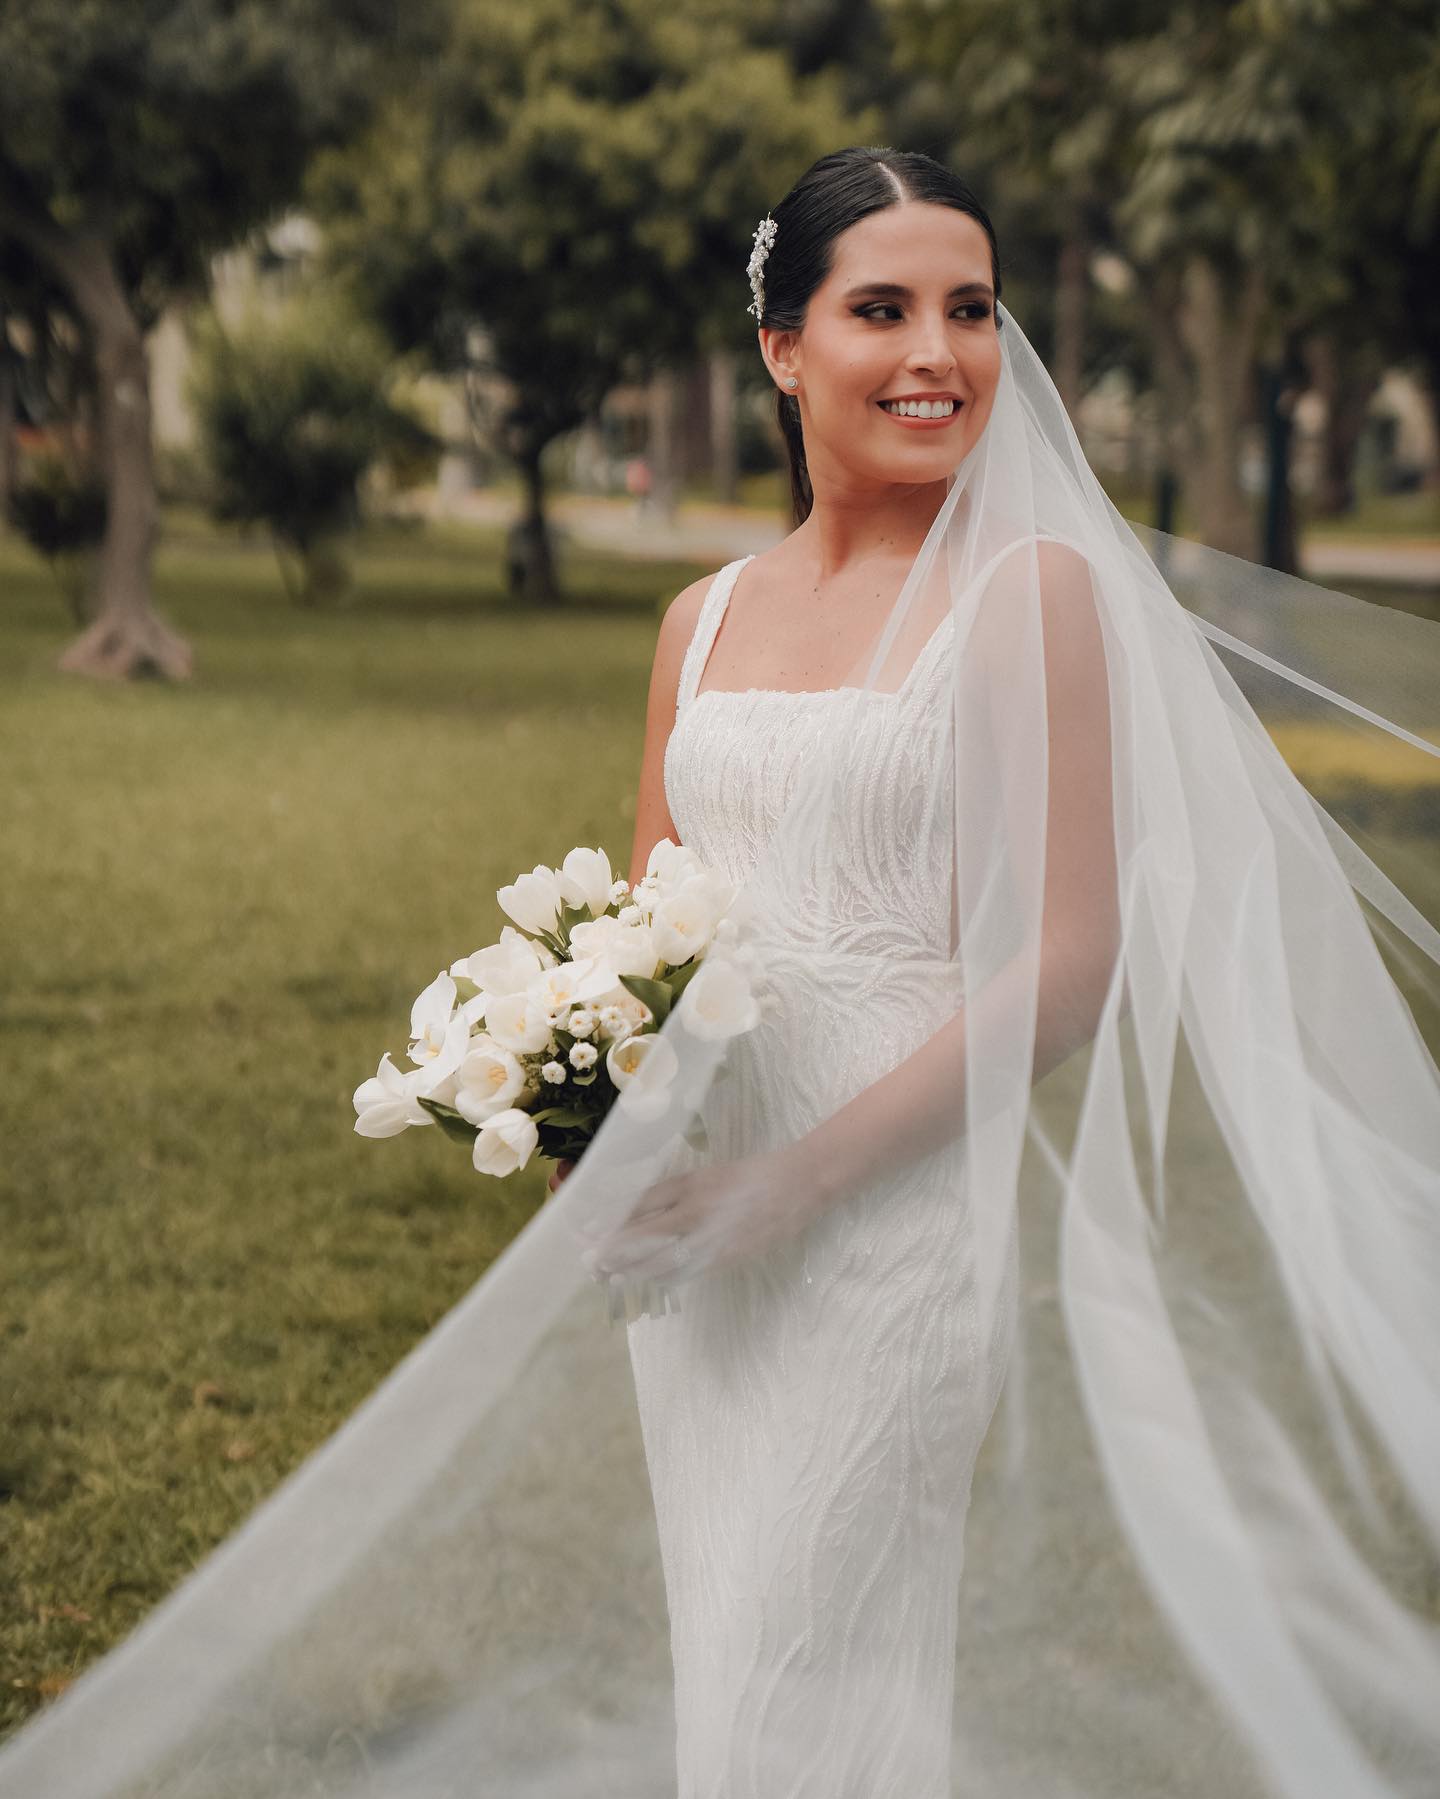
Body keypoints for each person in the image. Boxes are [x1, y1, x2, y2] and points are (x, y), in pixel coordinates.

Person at [3, 146, 1438, 1799]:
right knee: (743, 1661)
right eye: (879, 309)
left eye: (970, 309)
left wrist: (793, 1187)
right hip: (698, 1240)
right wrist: (583, 1118)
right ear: (779, 346)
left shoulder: (1025, 598)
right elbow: (645, 917)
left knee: (812, 1670)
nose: (939, 355)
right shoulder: (700, 621)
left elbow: (1063, 963)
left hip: (881, 1223)